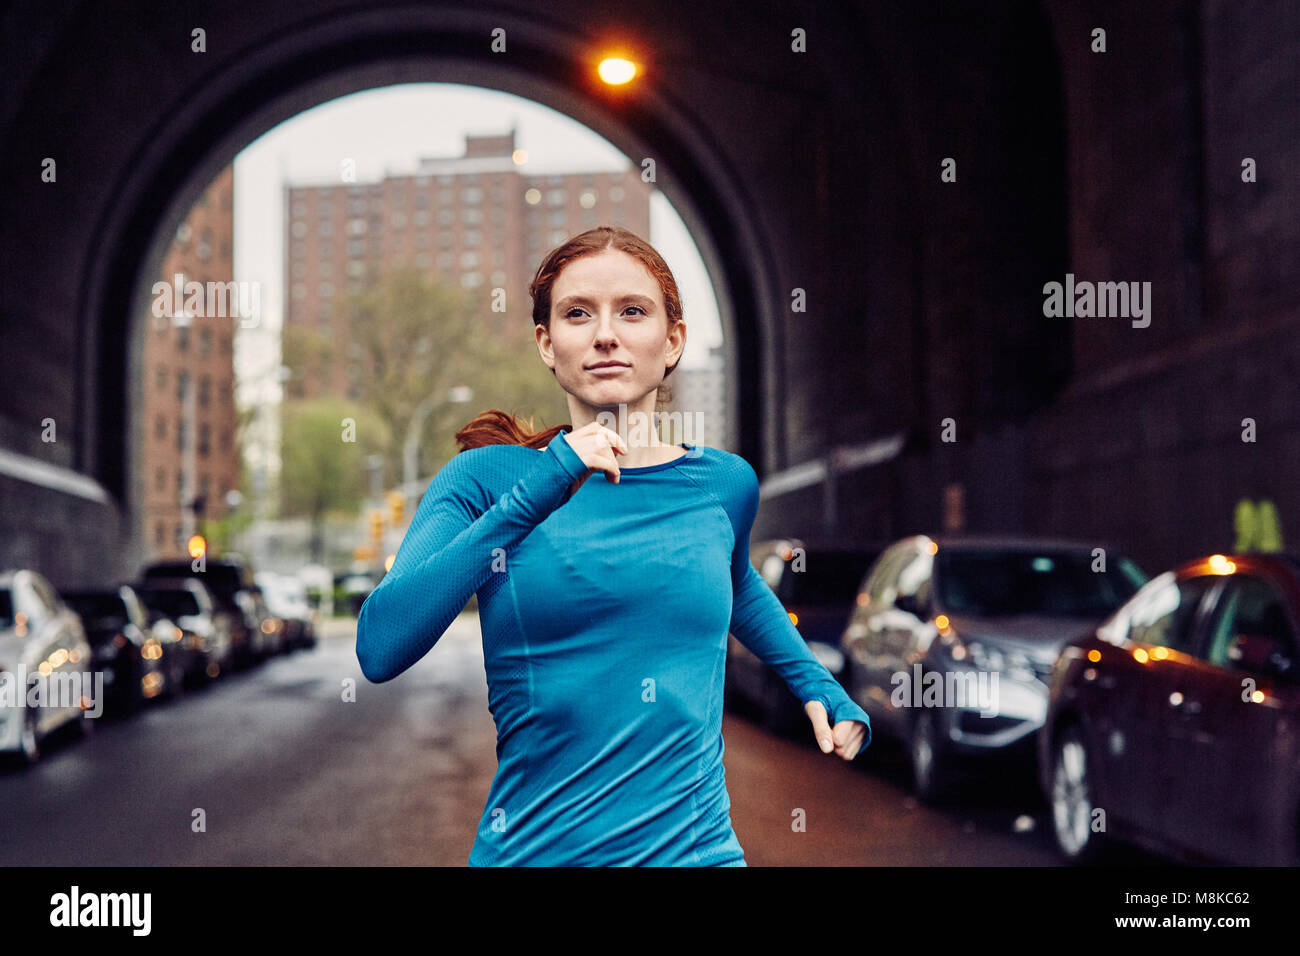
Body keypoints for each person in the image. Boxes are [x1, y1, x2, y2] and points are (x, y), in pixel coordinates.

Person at [356, 225, 871, 866]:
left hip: (698, 853)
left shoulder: (723, 484)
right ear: (547, 343)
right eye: (578, 314)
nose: (606, 334)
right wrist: (547, 483)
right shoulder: (485, 480)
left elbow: (736, 581)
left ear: (672, 340)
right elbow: (381, 646)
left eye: (633, 311)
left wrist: (818, 685)